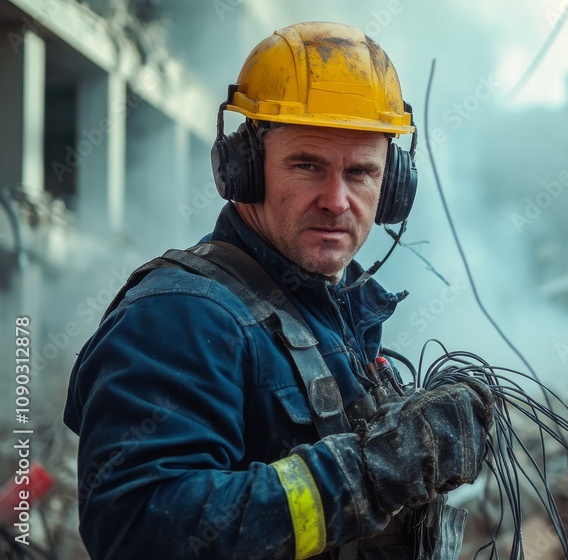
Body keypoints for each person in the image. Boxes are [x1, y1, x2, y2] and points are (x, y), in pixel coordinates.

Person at [63, 22, 493, 560]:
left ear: (393, 189)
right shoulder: (182, 318)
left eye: (361, 172)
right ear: (243, 170)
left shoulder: (330, 311)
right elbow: (140, 533)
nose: (337, 200)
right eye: (307, 166)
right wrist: (374, 472)